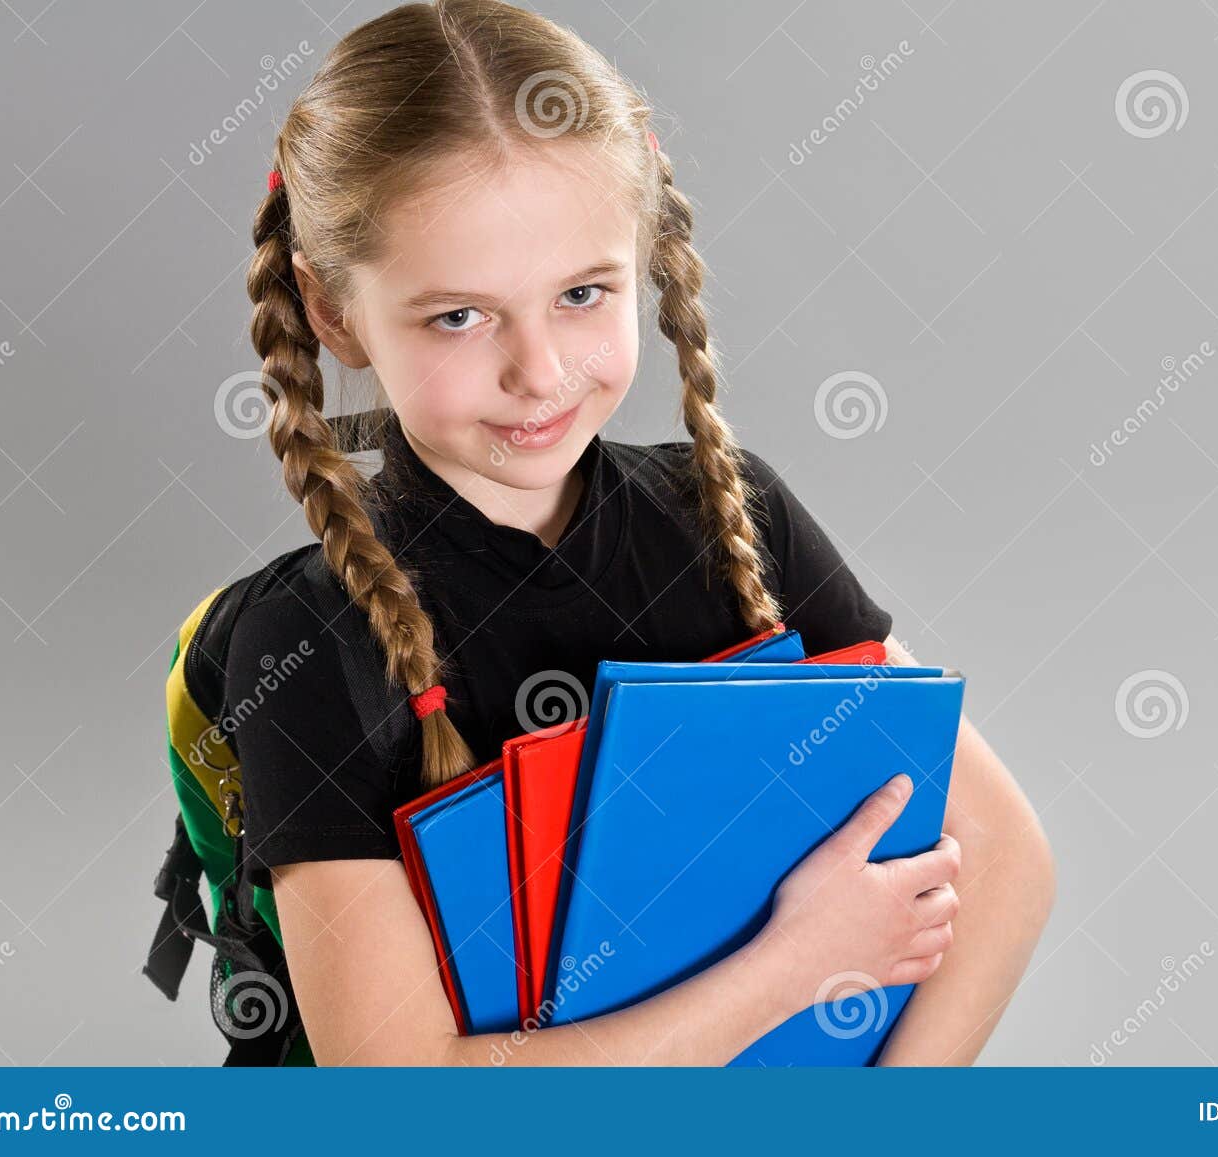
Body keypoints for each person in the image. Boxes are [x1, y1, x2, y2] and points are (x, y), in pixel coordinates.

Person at [228, 0, 1054, 1066]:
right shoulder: (304, 641)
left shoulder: (732, 514)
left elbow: (1006, 858)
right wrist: (793, 963)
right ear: (332, 310)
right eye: (458, 316)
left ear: (644, 256)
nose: (539, 372)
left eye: (581, 293)